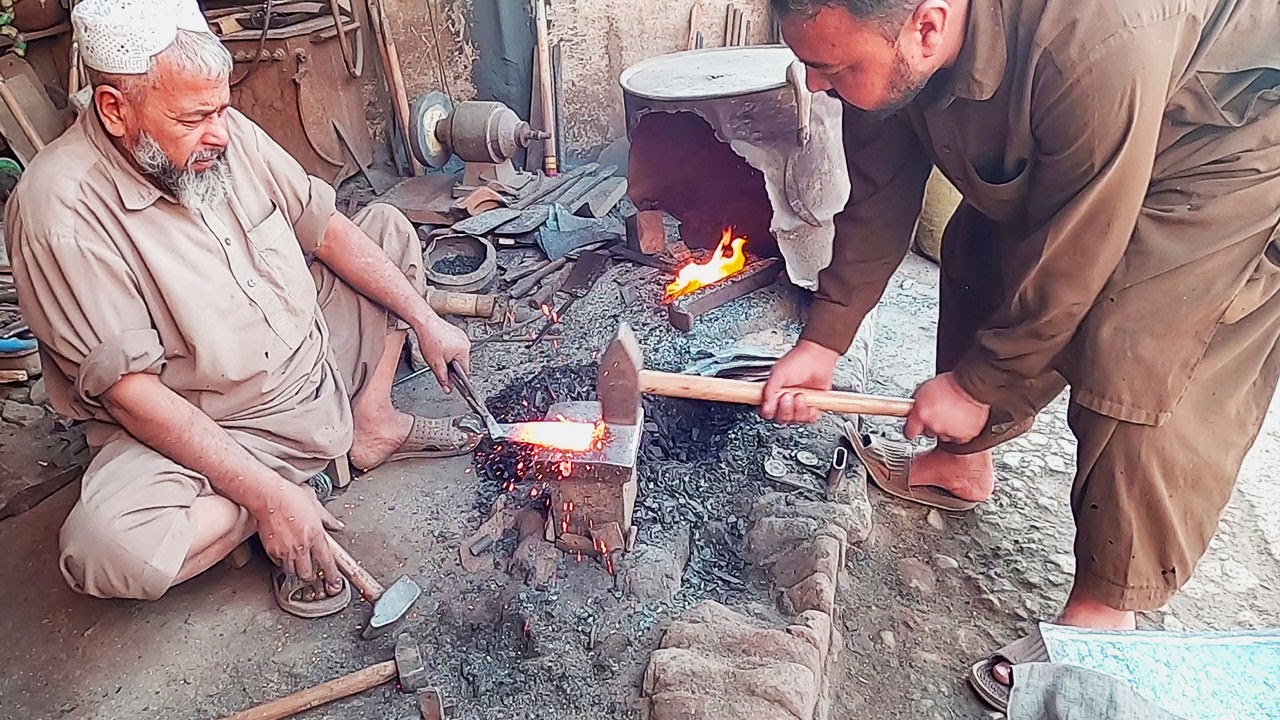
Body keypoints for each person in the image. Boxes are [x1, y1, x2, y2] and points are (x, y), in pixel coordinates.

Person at [761, 0, 1279, 710]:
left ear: (928, 25)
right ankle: (961, 458)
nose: (816, 86)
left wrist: (981, 383)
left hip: (1226, 134)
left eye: (833, 68)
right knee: (983, 245)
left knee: (1141, 338)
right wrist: (825, 336)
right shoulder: (890, 42)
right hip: (1112, 108)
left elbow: (1080, 248)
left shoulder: (1093, 41)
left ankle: (1104, 618)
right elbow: (880, 188)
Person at [5, 0, 483, 618]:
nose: (221, 133)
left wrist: (427, 320)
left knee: (387, 231)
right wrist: (264, 494)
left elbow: (326, 229)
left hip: (316, 362)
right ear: (115, 110)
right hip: (225, 429)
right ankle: (291, 491)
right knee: (108, 546)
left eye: (223, 107)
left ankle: (369, 422)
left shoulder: (221, 136)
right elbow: (131, 396)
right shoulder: (59, 212)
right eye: (195, 117)